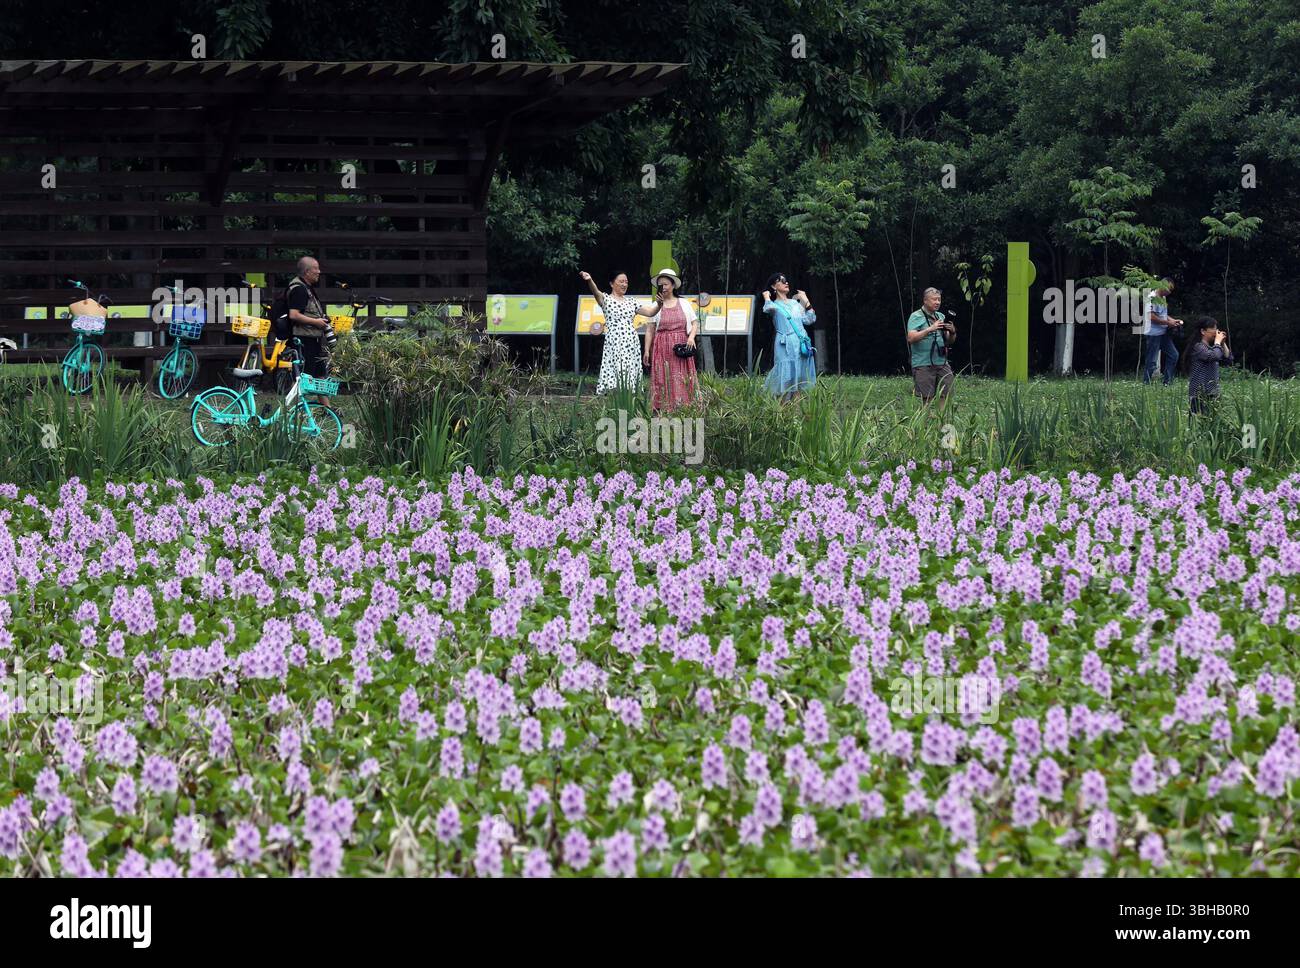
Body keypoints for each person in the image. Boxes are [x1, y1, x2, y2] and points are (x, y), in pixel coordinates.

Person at [580, 269, 657, 395]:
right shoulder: (606, 299)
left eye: (626, 282)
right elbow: (596, 292)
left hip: (631, 342)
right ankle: (616, 401)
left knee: (629, 371)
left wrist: (659, 303)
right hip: (615, 341)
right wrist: (589, 280)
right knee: (617, 371)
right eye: (621, 281)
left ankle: (628, 401)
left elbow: (650, 312)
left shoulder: (632, 301)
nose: (624, 284)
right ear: (612, 283)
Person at [643, 268, 698, 412]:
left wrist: (691, 337)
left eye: (666, 284)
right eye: (661, 284)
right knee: (663, 377)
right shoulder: (655, 306)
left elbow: (694, 323)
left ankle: (684, 407)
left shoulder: (684, 303)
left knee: (681, 376)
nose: (663, 287)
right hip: (661, 346)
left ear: (673, 285)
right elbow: (650, 329)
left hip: (681, 346)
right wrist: (646, 350)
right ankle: (663, 409)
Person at [761, 272, 816, 400]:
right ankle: (784, 414)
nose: (786, 282)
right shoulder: (774, 305)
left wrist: (805, 300)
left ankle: (796, 417)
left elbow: (810, 319)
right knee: (785, 382)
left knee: (799, 382)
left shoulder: (795, 304)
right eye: (782, 280)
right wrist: (766, 297)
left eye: (786, 280)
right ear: (774, 286)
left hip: (801, 344)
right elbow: (767, 308)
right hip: (784, 345)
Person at [906, 287, 956, 406]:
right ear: (925, 301)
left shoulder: (941, 317)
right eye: (934, 299)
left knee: (945, 394)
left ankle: (941, 424)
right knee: (927, 398)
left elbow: (949, 341)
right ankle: (925, 424)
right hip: (923, 363)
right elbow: (911, 338)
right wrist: (930, 329)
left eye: (939, 299)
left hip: (942, 362)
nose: (937, 302)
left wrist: (953, 332)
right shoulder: (916, 316)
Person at [285, 256, 331, 378]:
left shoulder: (306, 287)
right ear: (307, 272)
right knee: (303, 379)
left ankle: (324, 399)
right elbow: (293, 315)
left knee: (320, 379)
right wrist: (316, 322)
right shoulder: (299, 289)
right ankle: (294, 398)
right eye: (316, 268)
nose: (319, 272)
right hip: (304, 341)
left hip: (313, 340)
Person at [1185, 316, 1232, 415]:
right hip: (1199, 393)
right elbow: (1213, 356)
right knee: (1197, 423)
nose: (1216, 332)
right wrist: (1218, 343)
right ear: (1203, 331)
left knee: (1213, 424)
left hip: (1212, 392)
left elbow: (1228, 358)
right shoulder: (1198, 347)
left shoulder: (1213, 348)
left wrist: (1222, 344)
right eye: (1213, 329)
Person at [1141, 278, 1184, 385]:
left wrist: (1172, 320)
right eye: (1168, 289)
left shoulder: (1163, 297)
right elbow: (1151, 316)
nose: (1169, 292)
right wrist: (1168, 323)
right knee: (1151, 361)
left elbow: (1163, 314)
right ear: (1161, 285)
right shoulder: (1151, 297)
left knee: (1174, 355)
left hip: (1163, 333)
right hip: (1153, 334)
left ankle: (1167, 382)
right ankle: (1146, 384)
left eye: (1171, 290)